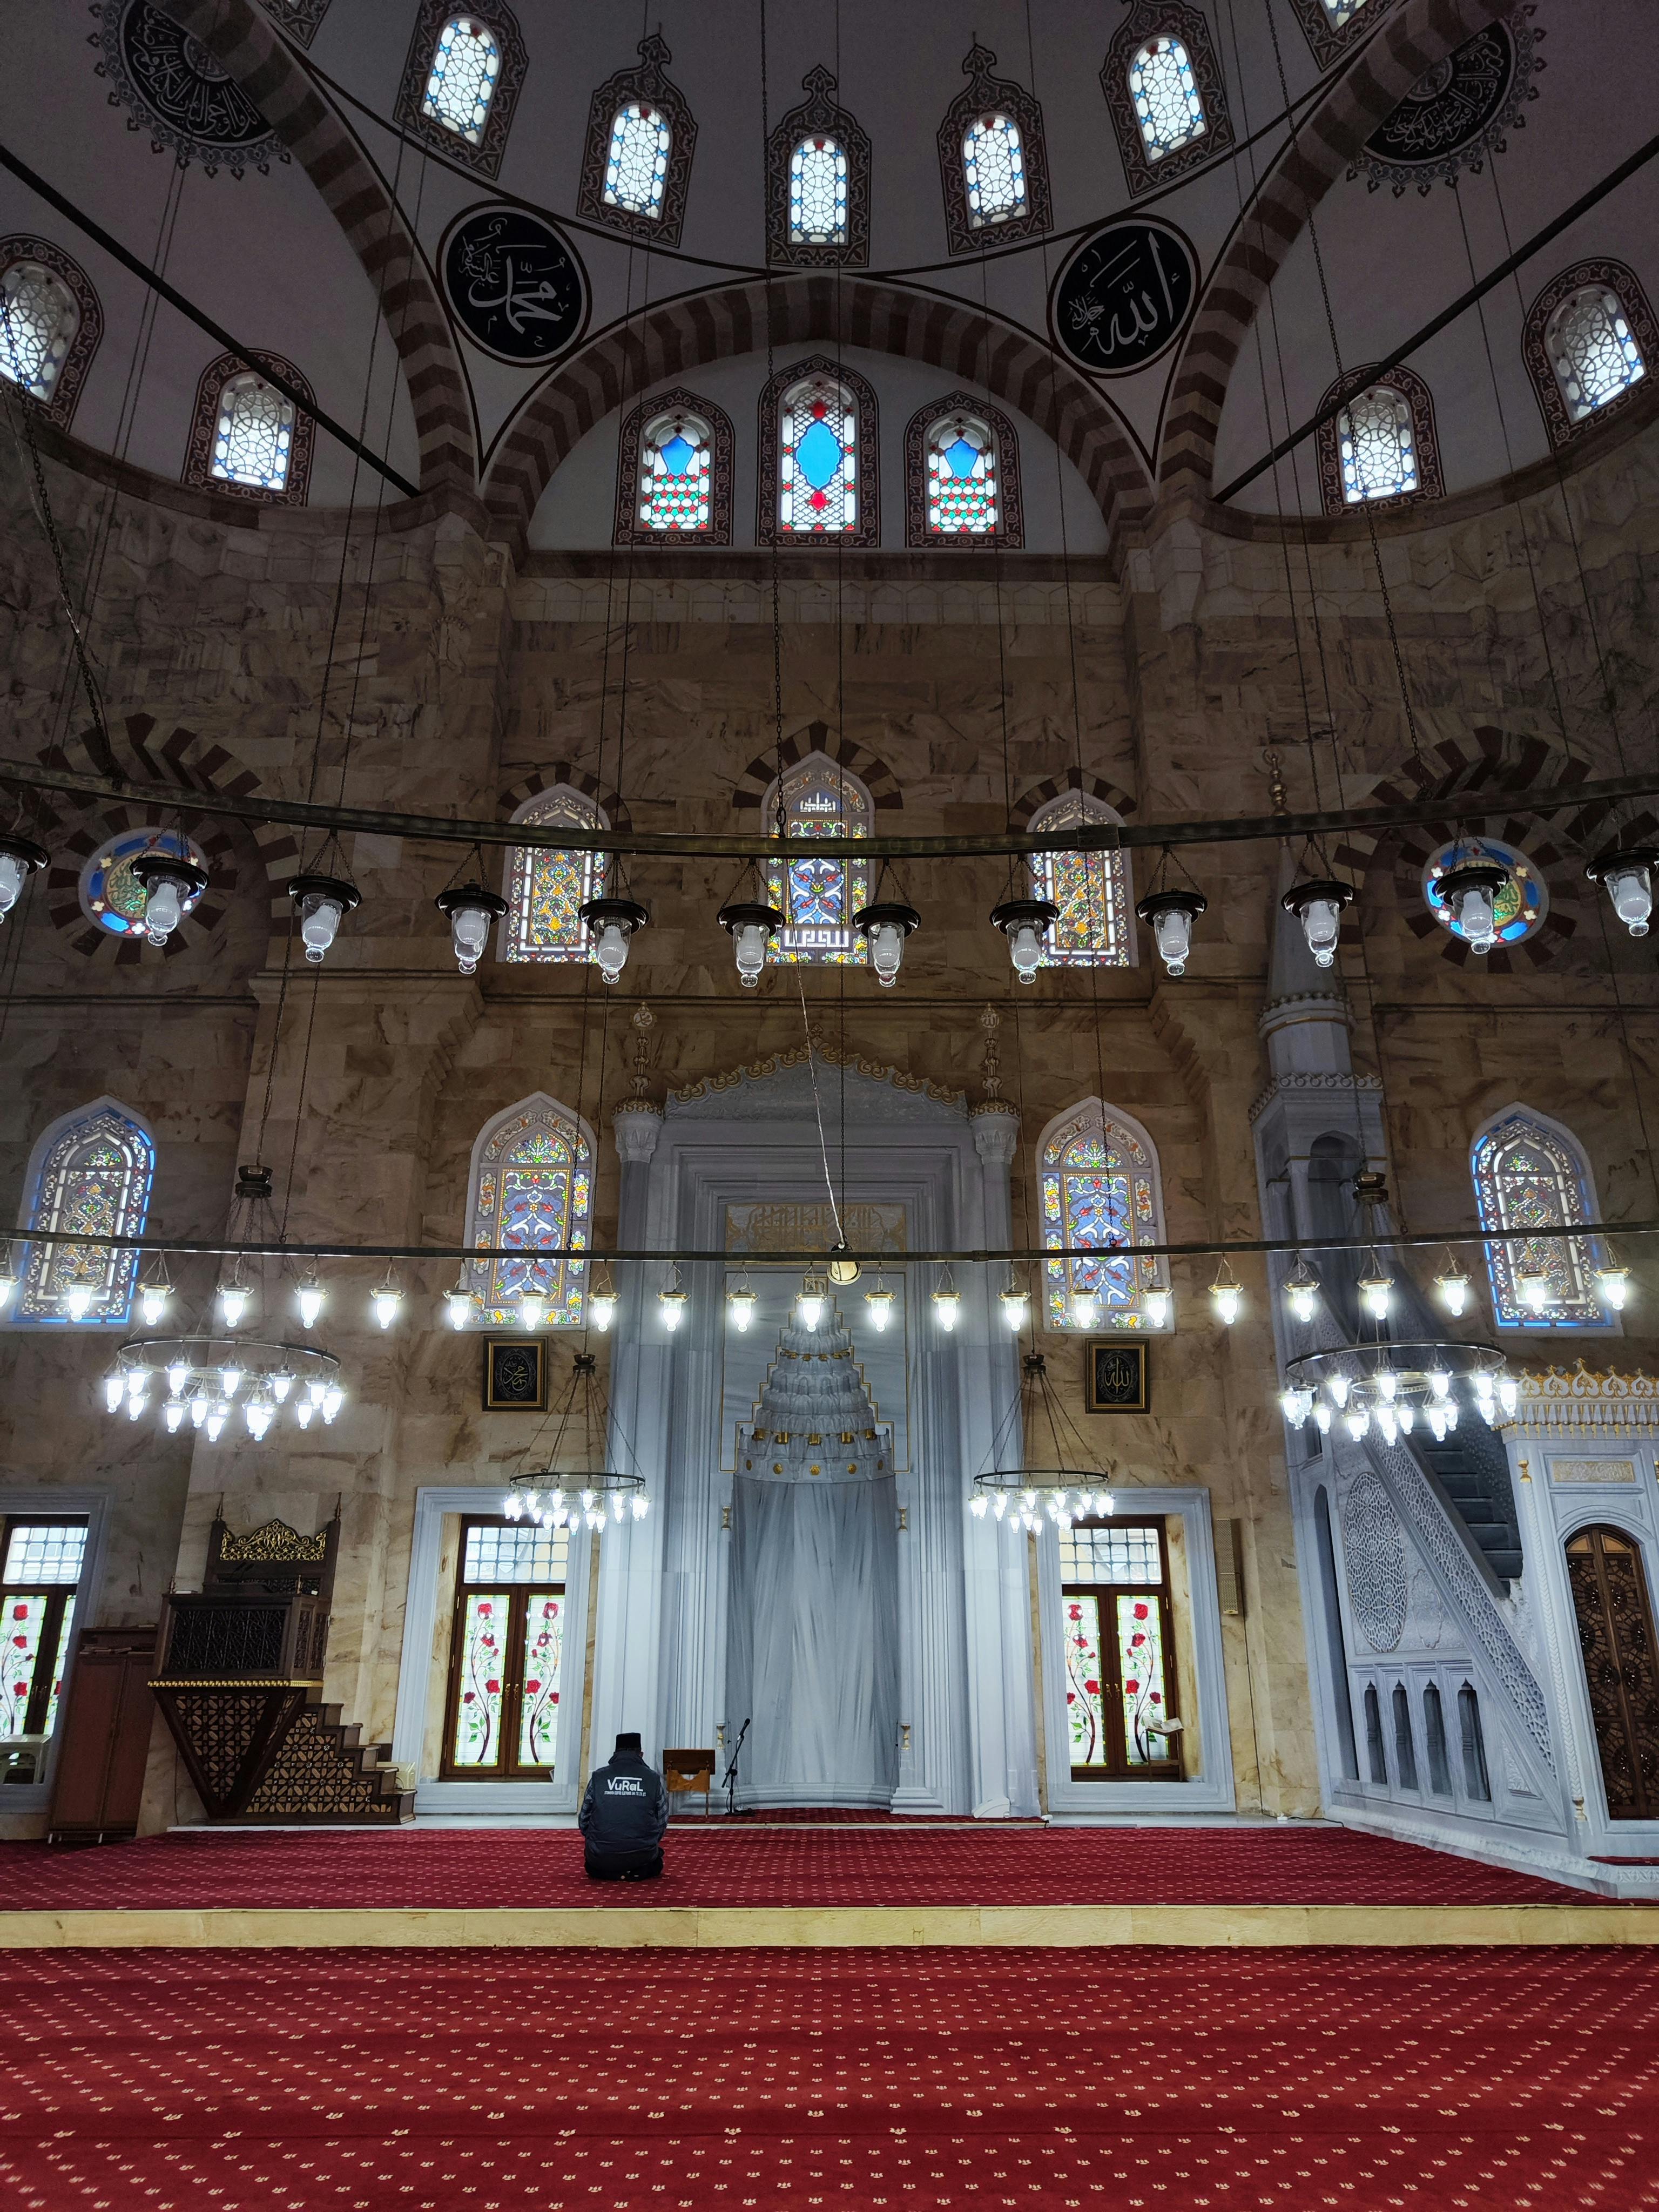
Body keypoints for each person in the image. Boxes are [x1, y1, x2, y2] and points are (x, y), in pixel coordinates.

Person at [578, 1731, 670, 1880]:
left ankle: (611, 1873)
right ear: (641, 1754)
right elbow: (662, 1822)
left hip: (601, 1856)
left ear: (615, 1753)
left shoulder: (598, 1777)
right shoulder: (653, 1779)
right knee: (656, 1862)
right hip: (642, 1856)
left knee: (592, 1866)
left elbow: (583, 1821)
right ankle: (634, 1873)